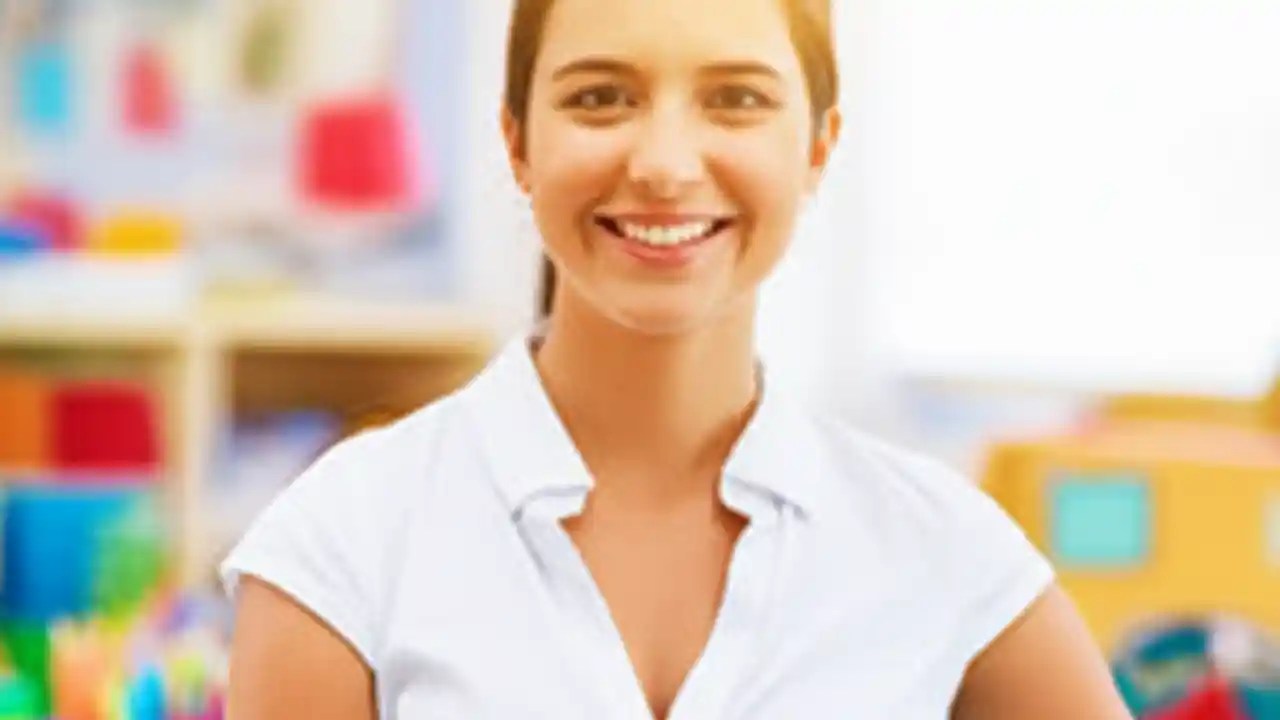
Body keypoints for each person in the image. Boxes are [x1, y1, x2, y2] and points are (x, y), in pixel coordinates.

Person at [223, 0, 1133, 717]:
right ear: (517, 143)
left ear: (818, 148)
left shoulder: (942, 552)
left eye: (736, 98)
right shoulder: (345, 548)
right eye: (599, 98)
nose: (664, 164)